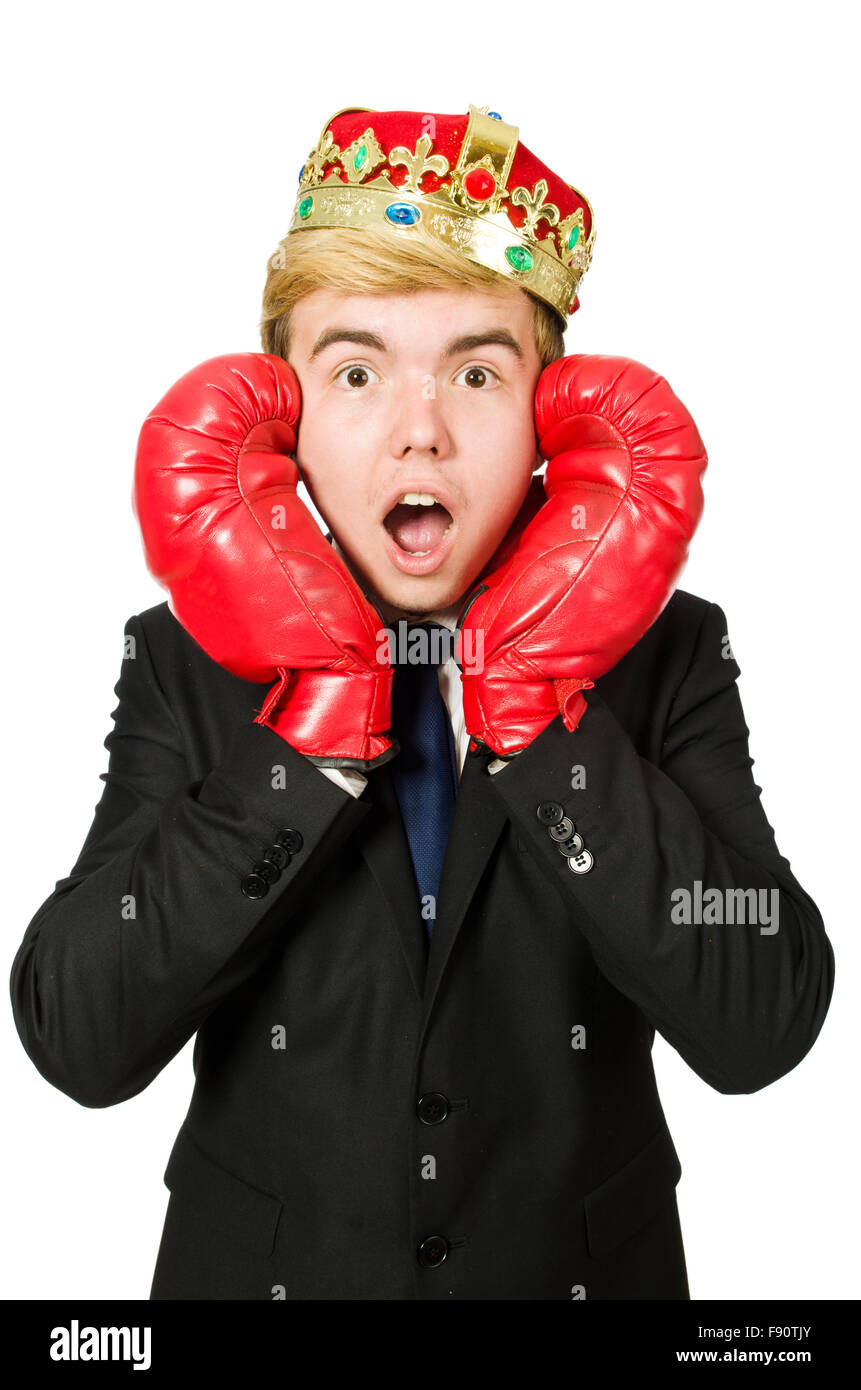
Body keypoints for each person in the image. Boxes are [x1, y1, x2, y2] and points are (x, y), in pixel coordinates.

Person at [9, 103, 835, 1301]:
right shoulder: (186, 659)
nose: (421, 433)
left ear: (554, 411)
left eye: (478, 370)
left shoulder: (670, 650)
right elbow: (77, 1033)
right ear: (278, 418)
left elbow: (766, 1010)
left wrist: (545, 726)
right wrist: (306, 742)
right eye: (355, 370)